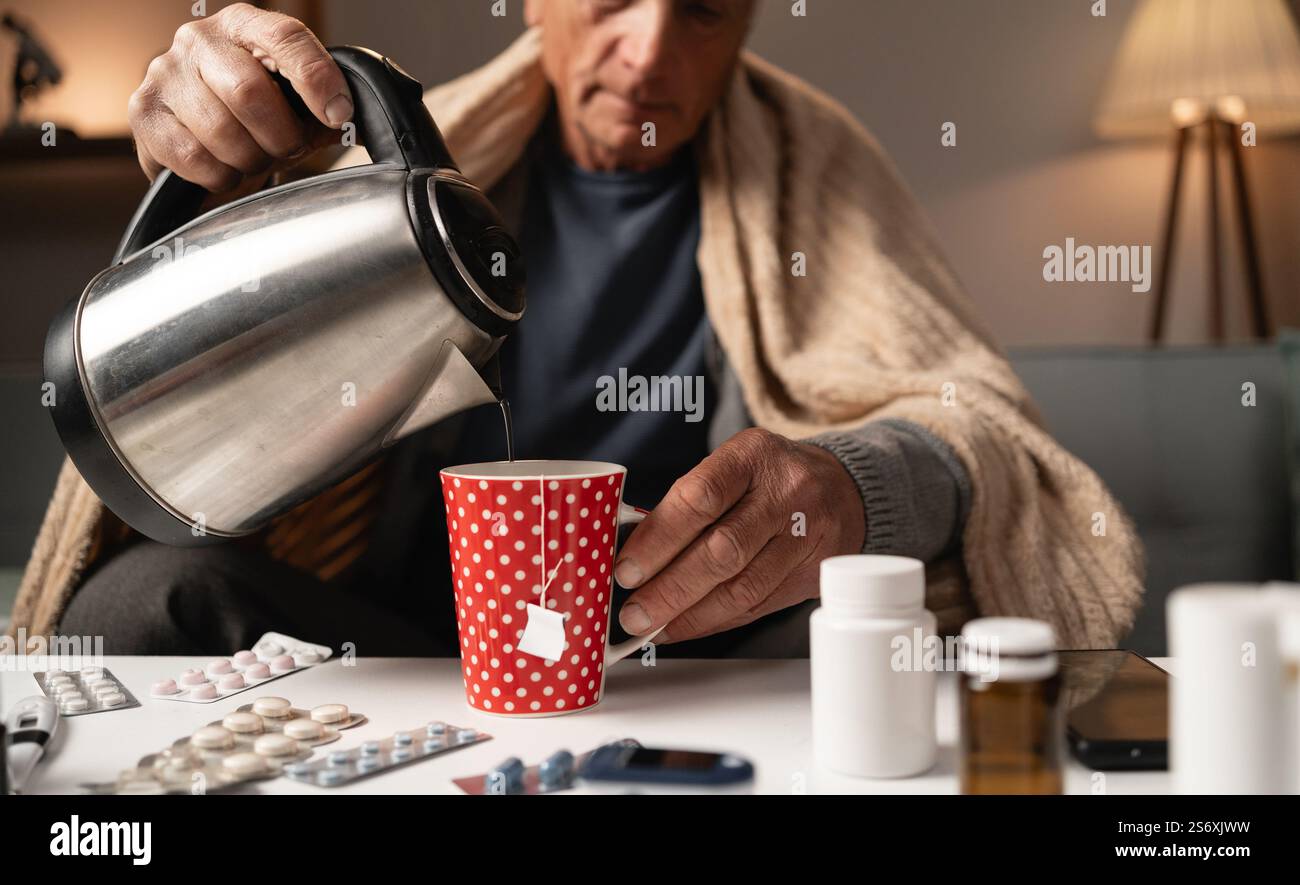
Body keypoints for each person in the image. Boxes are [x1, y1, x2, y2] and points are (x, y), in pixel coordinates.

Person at [14, 0, 1143, 656]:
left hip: (691, 652)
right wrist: (214, 155)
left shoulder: (824, 169)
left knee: (857, 646)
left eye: (697, 5)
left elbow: (978, 425)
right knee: (139, 603)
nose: (648, 52)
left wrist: (859, 483)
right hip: (397, 640)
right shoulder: (380, 168)